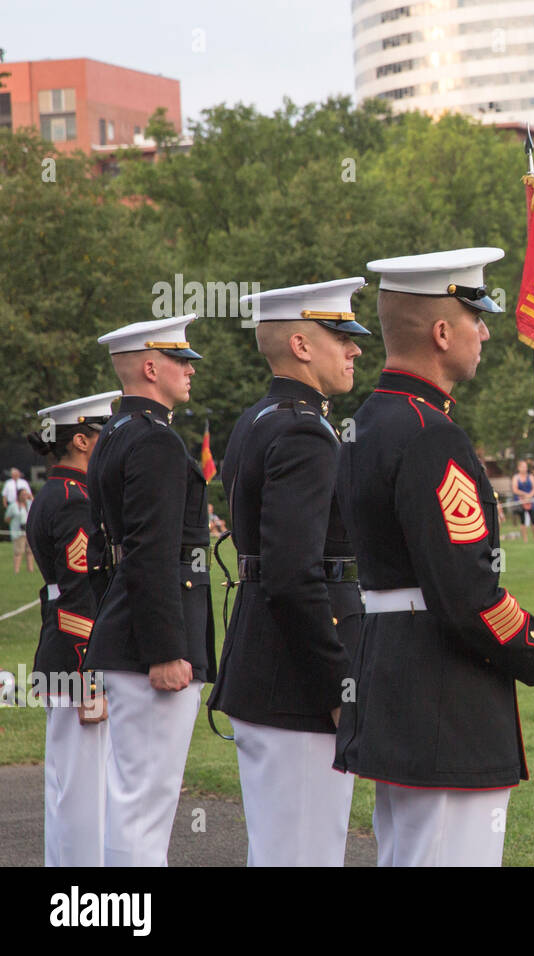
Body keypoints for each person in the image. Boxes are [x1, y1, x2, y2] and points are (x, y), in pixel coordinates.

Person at [334, 247, 534, 866]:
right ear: (443, 332)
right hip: (442, 690)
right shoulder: (430, 434)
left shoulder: (369, 419)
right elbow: (468, 595)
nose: (488, 332)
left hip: (393, 671)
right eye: (478, 318)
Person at [207, 277, 370, 866]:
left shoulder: (258, 419)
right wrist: (335, 687)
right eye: (342, 336)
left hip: (270, 666)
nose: (355, 349)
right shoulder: (304, 428)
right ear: (302, 345)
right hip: (298, 681)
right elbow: (295, 574)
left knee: (282, 850)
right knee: (303, 853)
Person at [84, 314, 216, 867]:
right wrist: (167, 648)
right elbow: (149, 549)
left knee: (135, 800)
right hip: (149, 647)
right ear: (149, 366)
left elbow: (106, 551)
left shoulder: (114, 433)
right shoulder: (155, 440)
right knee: (146, 805)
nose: (189, 370)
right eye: (180, 360)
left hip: (125, 629)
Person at [26, 389, 120, 866]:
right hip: (76, 656)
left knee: (68, 788)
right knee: (83, 795)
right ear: (82, 441)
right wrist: (91, 675)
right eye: (104, 432)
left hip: (59, 651)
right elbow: (79, 591)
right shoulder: (75, 500)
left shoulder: (55, 493)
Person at [510, 458, 534, 542]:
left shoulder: (530, 476)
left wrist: (530, 495)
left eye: (525, 467)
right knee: (522, 520)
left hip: (530, 501)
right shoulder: (516, 477)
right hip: (520, 501)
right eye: (522, 467)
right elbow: (515, 489)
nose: (524, 468)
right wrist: (524, 494)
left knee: (533, 520)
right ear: (519, 468)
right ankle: (525, 539)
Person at [8, 488, 36, 573]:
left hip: (28, 531)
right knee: (19, 551)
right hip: (18, 532)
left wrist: (31, 497)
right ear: (19, 495)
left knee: (30, 551)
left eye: (25, 494)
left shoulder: (29, 504)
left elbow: (37, 507)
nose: (24, 496)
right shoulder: (13, 506)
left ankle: (30, 569)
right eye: (23, 494)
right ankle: (16, 570)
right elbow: (7, 518)